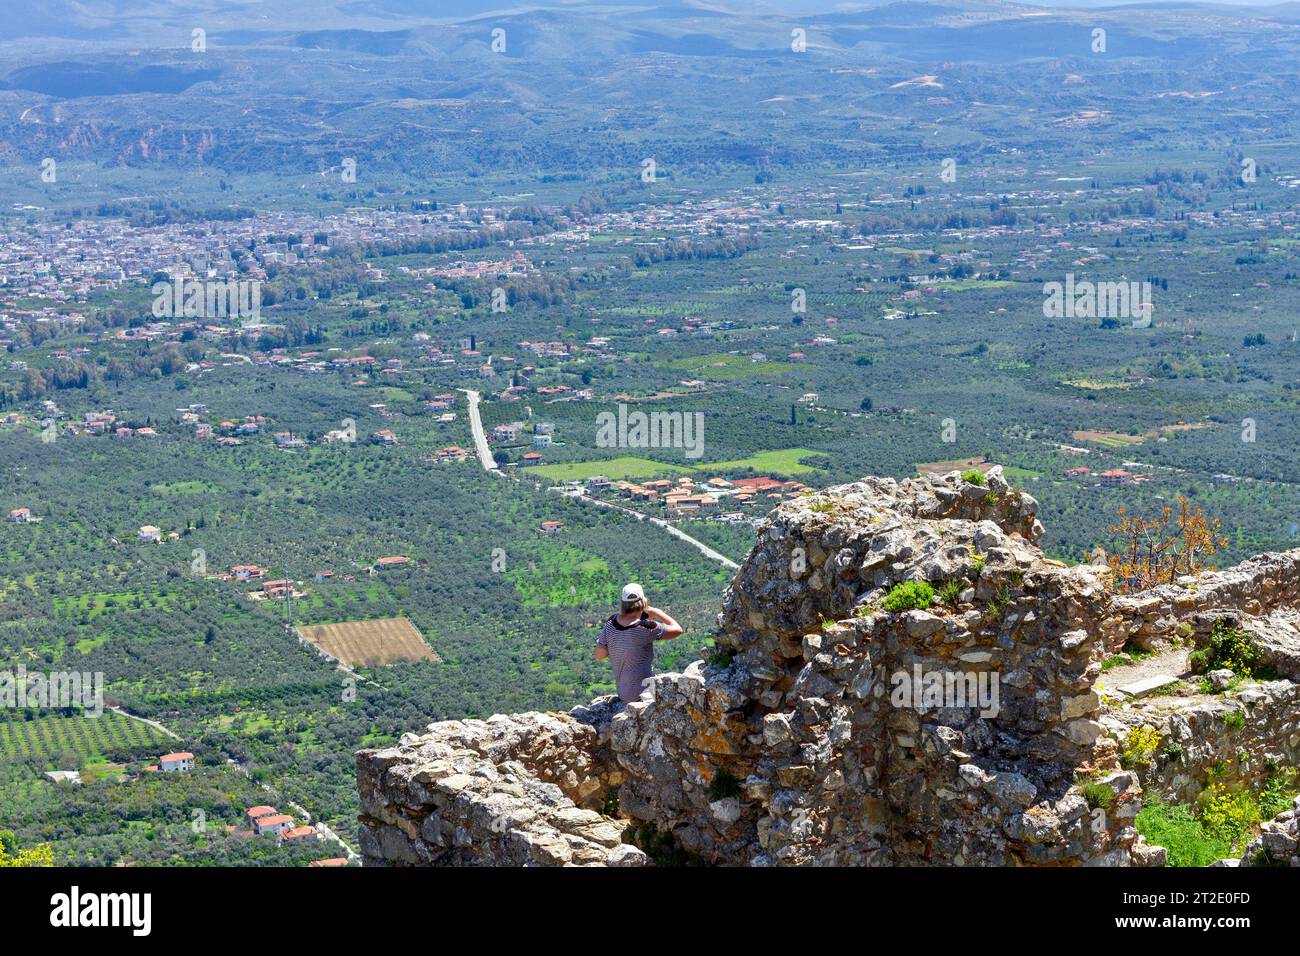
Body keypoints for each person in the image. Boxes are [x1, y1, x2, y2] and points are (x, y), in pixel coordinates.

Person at [595, 583, 683, 703]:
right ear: (643, 602)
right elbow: (678, 630)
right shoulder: (646, 627)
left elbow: (599, 655)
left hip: (623, 693)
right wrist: (657, 612)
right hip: (643, 694)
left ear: (623, 604)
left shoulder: (611, 623)